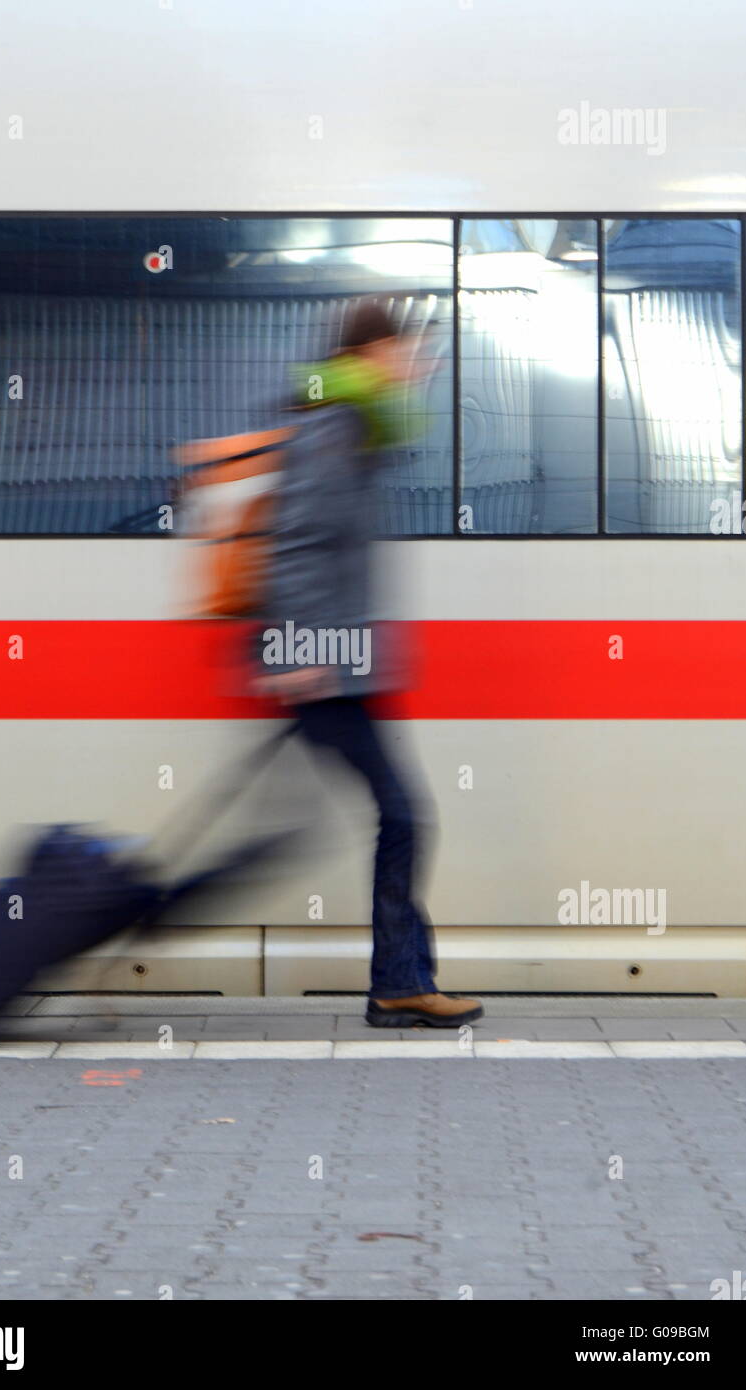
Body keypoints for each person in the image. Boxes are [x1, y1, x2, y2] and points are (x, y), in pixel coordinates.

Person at [258, 299, 483, 1028]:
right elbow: (292, 542)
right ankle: (397, 982)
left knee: (396, 815)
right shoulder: (332, 427)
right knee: (402, 815)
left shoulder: (353, 423)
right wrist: (295, 650)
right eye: (399, 353)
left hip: (344, 664)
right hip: (321, 665)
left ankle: (400, 980)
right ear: (366, 354)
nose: (409, 366)